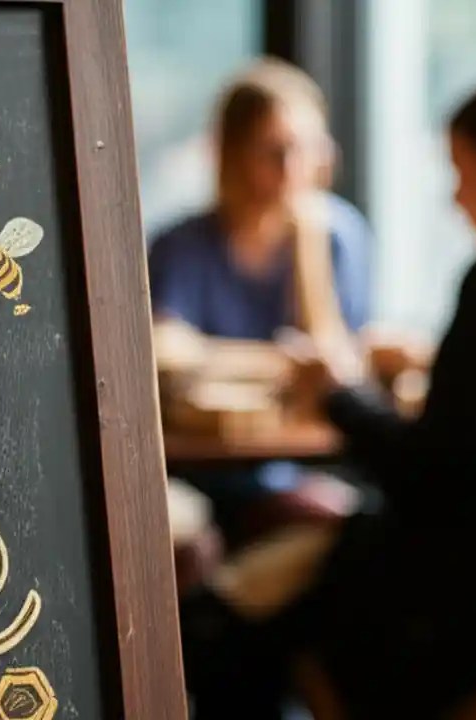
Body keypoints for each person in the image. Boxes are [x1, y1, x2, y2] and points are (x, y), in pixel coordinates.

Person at [184, 84, 476, 720]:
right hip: (469, 580)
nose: (455, 198)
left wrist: (340, 396)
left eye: (462, 173)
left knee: (220, 619)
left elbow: (424, 475)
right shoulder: (187, 243)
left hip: (451, 600)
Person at [149, 59, 373, 546]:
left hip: (296, 467)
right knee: (184, 537)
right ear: (232, 154)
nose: (293, 170)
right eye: (275, 151)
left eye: (307, 150)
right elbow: (162, 352)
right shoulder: (182, 244)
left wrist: (307, 241)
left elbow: (334, 363)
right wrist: (281, 362)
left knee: (343, 524)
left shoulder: (338, 235)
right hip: (200, 468)